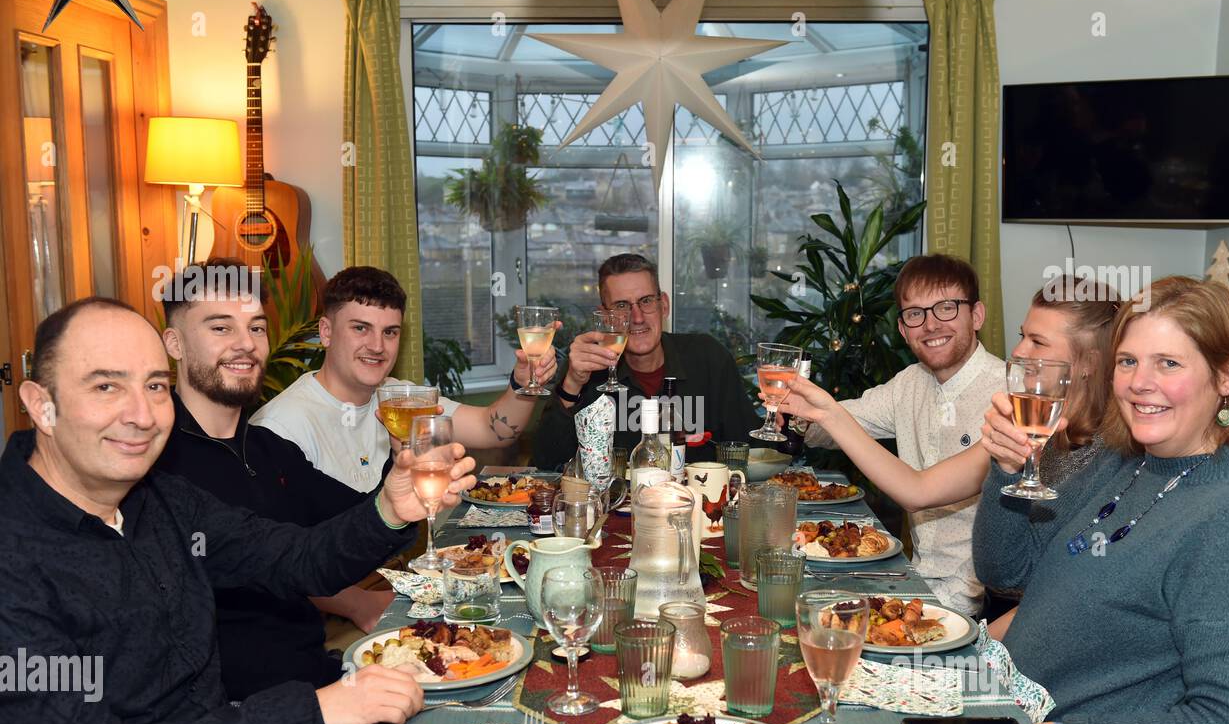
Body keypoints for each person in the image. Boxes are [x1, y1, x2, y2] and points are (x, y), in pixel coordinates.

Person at [0, 298, 476, 724]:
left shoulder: (162, 500)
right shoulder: (14, 554)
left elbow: (295, 558)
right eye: (106, 386)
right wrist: (315, 707)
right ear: (40, 404)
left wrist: (390, 509)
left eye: (156, 386)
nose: (141, 413)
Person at [972, 276, 1229, 724]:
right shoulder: (1129, 462)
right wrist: (1004, 473)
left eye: (1168, 363)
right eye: (1128, 360)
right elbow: (1007, 572)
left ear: (1227, 376)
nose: (1140, 384)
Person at [783, 275, 1119, 623]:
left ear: (1089, 363)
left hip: (1008, 623)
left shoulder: (1110, 455)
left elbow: (1071, 593)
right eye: (1022, 336)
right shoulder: (1026, 425)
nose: (1018, 352)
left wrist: (985, 648)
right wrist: (824, 412)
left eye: (1037, 341)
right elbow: (923, 492)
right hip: (996, 616)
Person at [153, 260, 395, 701]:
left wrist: (404, 468)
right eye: (221, 328)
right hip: (236, 719)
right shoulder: (154, 463)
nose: (246, 345)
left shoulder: (268, 447)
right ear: (175, 343)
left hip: (318, 678)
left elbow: (357, 527)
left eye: (257, 328)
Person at [799, 253, 1006, 616]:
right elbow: (841, 423)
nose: (930, 325)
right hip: (916, 580)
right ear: (902, 329)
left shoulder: (1008, 396)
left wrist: (824, 411)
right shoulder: (910, 383)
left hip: (979, 603)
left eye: (945, 308)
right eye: (915, 314)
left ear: (976, 316)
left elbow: (919, 493)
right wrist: (796, 418)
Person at [253, 266, 558, 491]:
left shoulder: (402, 398)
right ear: (326, 332)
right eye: (360, 328)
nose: (376, 346)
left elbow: (493, 431)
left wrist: (523, 383)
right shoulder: (280, 427)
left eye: (390, 332)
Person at [532, 253, 758, 470]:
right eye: (622, 306)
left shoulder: (708, 358)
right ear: (605, 317)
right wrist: (572, 384)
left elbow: (755, 450)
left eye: (646, 301)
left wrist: (788, 421)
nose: (637, 318)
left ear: (664, 306)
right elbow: (546, 463)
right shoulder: (587, 370)